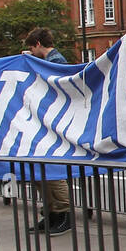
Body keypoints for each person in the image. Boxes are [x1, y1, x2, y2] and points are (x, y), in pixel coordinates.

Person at [23, 28, 74, 235]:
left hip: (54, 123)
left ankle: (64, 213)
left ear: (37, 43)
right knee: (38, 171)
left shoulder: (57, 62)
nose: (30, 51)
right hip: (42, 122)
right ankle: (51, 213)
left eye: (30, 48)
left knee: (53, 171)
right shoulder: (45, 61)